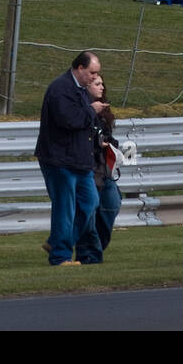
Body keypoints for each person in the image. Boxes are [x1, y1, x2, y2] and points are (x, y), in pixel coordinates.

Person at [34, 52, 105, 266]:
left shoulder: (80, 90)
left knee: (90, 202)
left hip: (79, 161)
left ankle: (57, 242)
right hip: (60, 160)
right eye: (92, 72)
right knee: (65, 208)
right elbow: (70, 120)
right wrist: (92, 110)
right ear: (80, 68)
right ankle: (60, 256)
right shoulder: (60, 89)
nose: (94, 78)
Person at [79, 72, 121, 263]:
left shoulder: (104, 113)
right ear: (86, 86)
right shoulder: (81, 110)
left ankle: (97, 247)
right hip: (88, 171)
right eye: (97, 84)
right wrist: (98, 143)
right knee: (89, 211)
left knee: (112, 205)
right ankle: (89, 253)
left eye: (102, 84)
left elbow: (108, 137)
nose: (101, 87)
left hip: (105, 171)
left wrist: (111, 144)